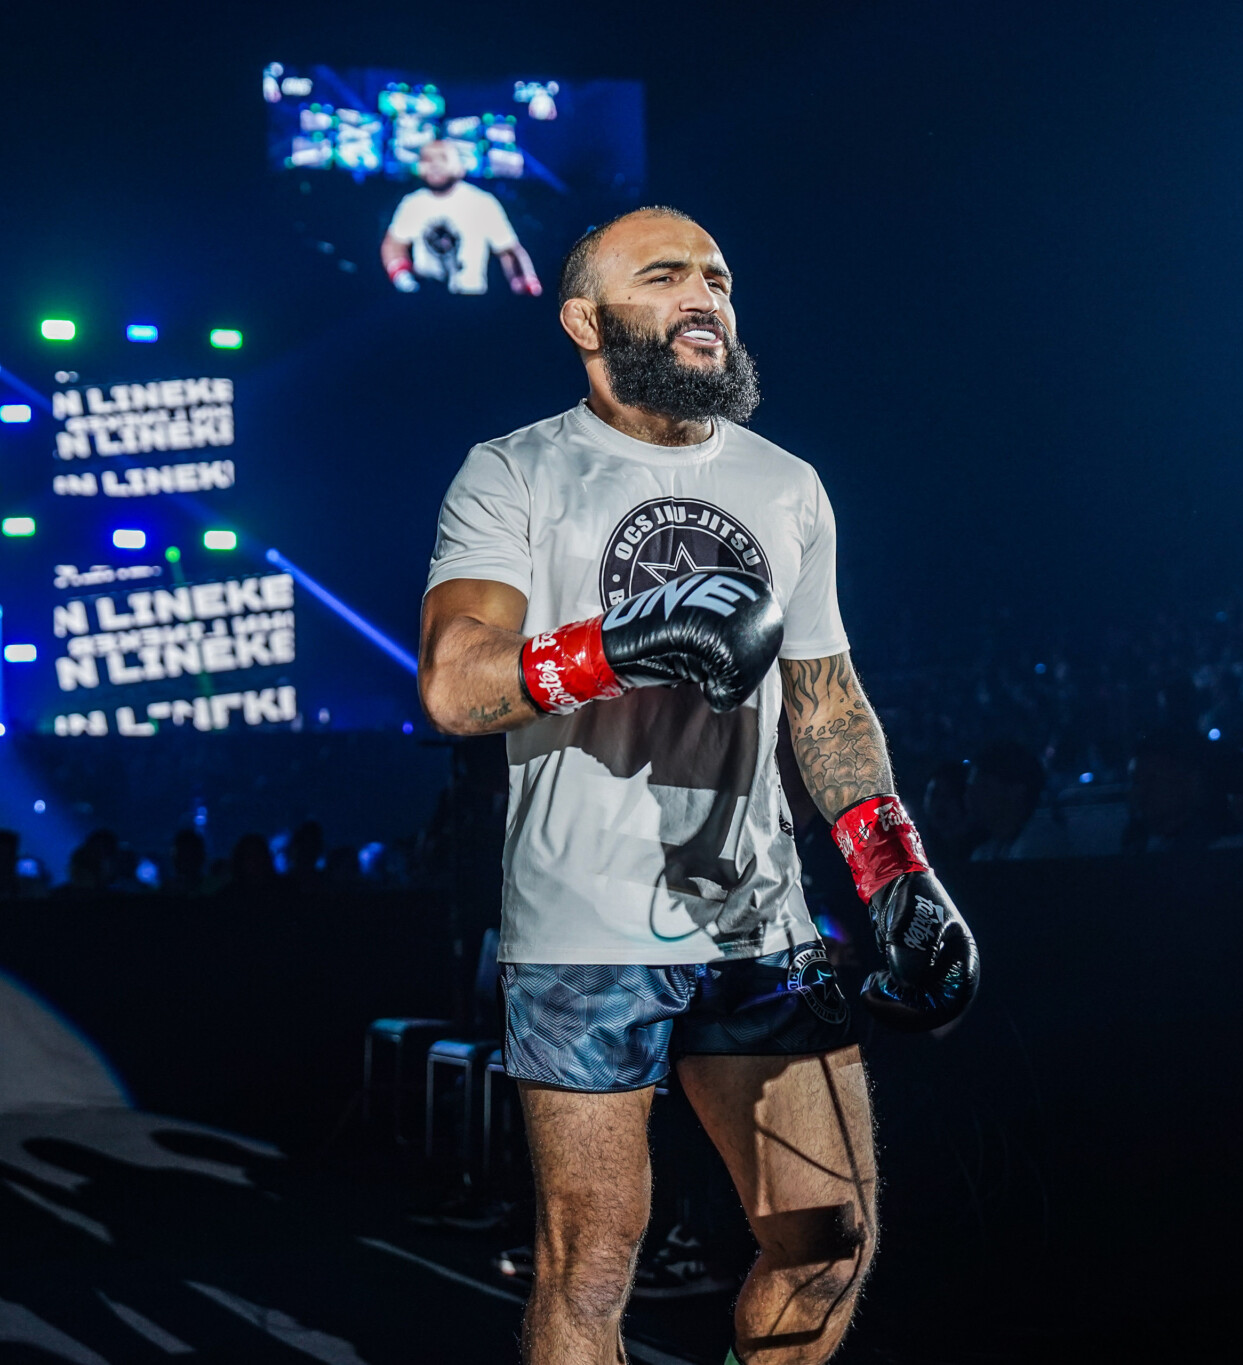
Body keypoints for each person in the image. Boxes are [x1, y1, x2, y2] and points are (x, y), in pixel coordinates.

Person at [418, 207, 978, 1364]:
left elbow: (824, 703)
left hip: (757, 919)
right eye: (664, 275)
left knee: (828, 1242)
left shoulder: (786, 484)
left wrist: (895, 872)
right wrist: (614, 646)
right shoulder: (515, 470)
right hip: (583, 926)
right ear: (584, 321)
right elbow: (454, 684)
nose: (702, 297)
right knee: (592, 1265)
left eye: (716, 278)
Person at [381, 140, 543, 297]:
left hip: (470, 299)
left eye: (443, 158)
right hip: (425, 299)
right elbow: (393, 244)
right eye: (428, 159)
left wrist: (526, 284)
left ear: (459, 165)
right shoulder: (413, 203)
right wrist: (403, 278)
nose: (435, 165)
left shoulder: (481, 202)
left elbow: (507, 250)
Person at [965, 739, 1070, 860]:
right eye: (971, 787)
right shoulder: (989, 849)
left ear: (1016, 791)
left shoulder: (1039, 843)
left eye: (985, 787)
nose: (969, 795)